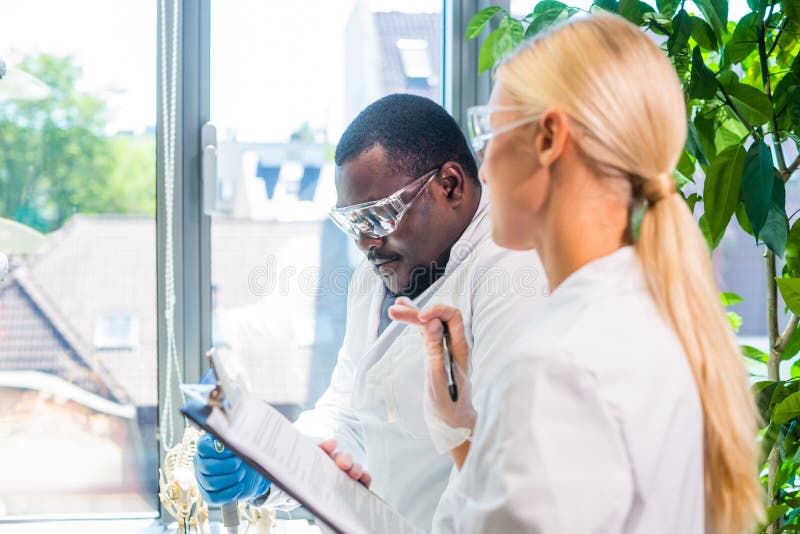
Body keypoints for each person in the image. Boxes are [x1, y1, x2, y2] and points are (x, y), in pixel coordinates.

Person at [391, 14, 763, 533]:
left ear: (548, 138)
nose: (485, 164)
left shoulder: (557, 365)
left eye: (490, 134)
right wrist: (461, 429)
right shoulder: (657, 313)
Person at [193, 94, 547, 530]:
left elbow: (494, 469)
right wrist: (263, 466)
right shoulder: (377, 274)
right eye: (353, 223)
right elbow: (349, 413)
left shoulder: (512, 271)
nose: (365, 243)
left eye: (378, 217)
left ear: (450, 185)